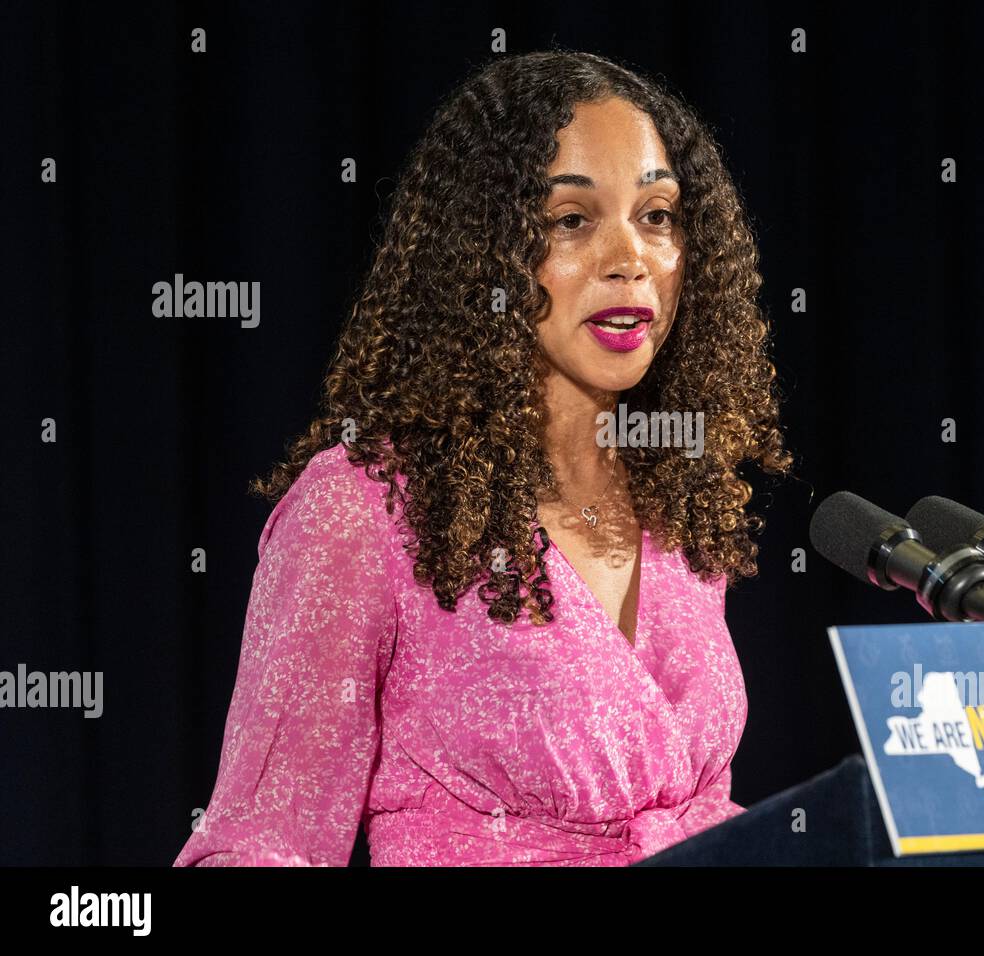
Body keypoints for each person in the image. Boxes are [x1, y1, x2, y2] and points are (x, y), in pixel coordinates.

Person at [173, 49, 792, 867]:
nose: (629, 258)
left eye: (657, 215)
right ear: (482, 253)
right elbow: (261, 844)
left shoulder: (676, 494)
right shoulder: (363, 508)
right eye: (571, 220)